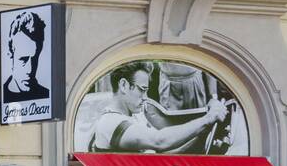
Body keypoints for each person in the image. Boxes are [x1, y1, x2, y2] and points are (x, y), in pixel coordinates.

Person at [89, 61, 228, 153]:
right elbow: (159, 141)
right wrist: (207, 119)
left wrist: (204, 129)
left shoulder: (134, 115)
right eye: (142, 90)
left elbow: (163, 152)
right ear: (124, 85)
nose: (145, 97)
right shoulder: (110, 123)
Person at [2, 11, 48, 103]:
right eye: (23, 59)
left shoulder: (47, 96)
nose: (30, 70)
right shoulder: (1, 94)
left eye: (34, 59)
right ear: (10, 53)